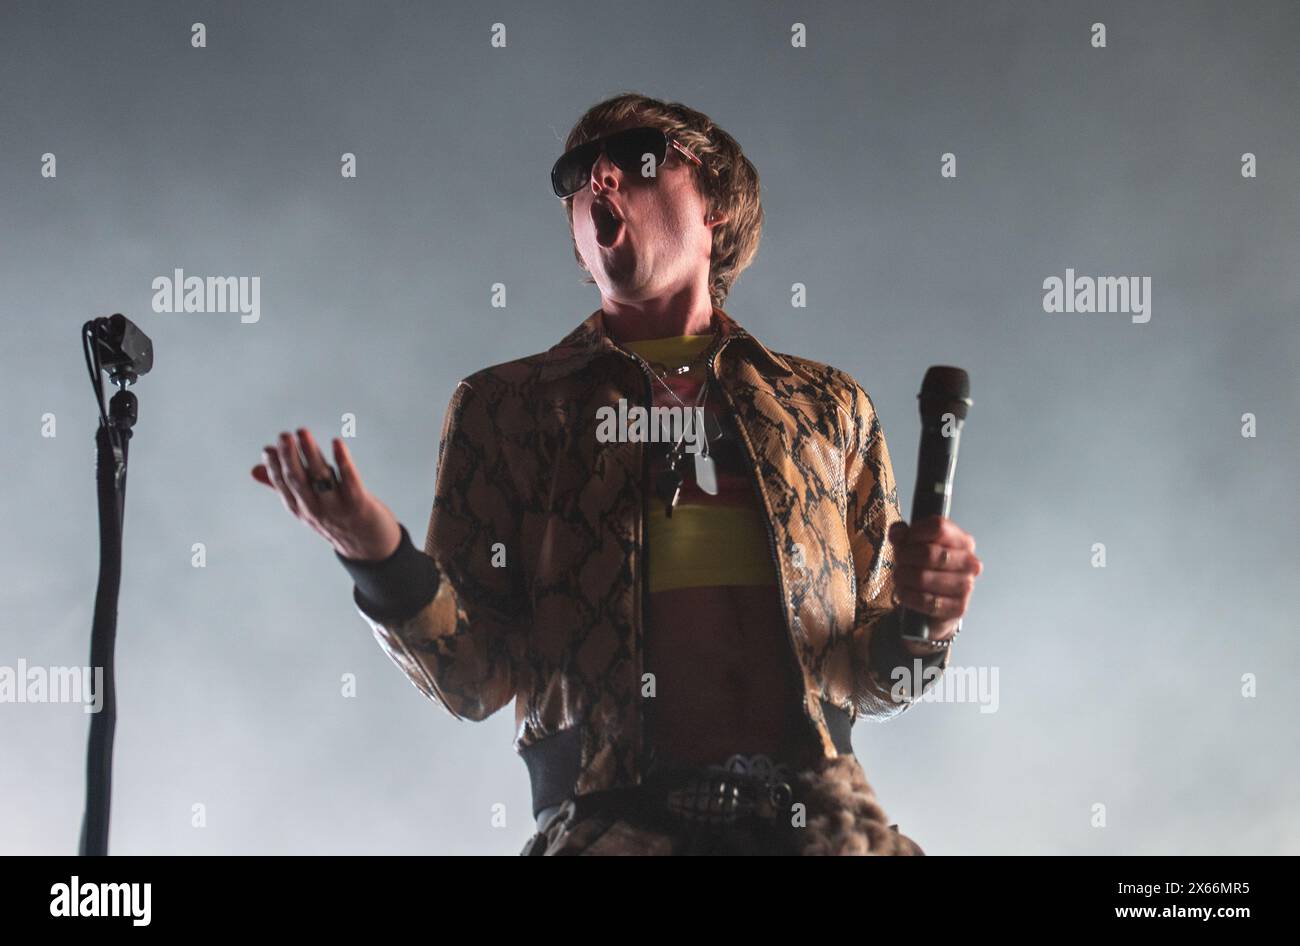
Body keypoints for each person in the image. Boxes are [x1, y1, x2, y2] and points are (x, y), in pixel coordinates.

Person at [251, 93, 983, 855]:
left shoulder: (826, 409)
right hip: (610, 826)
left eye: (637, 157)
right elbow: (474, 679)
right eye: (576, 174)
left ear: (717, 207)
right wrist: (378, 556)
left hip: (821, 828)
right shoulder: (507, 409)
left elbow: (873, 676)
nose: (599, 177)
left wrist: (930, 618)